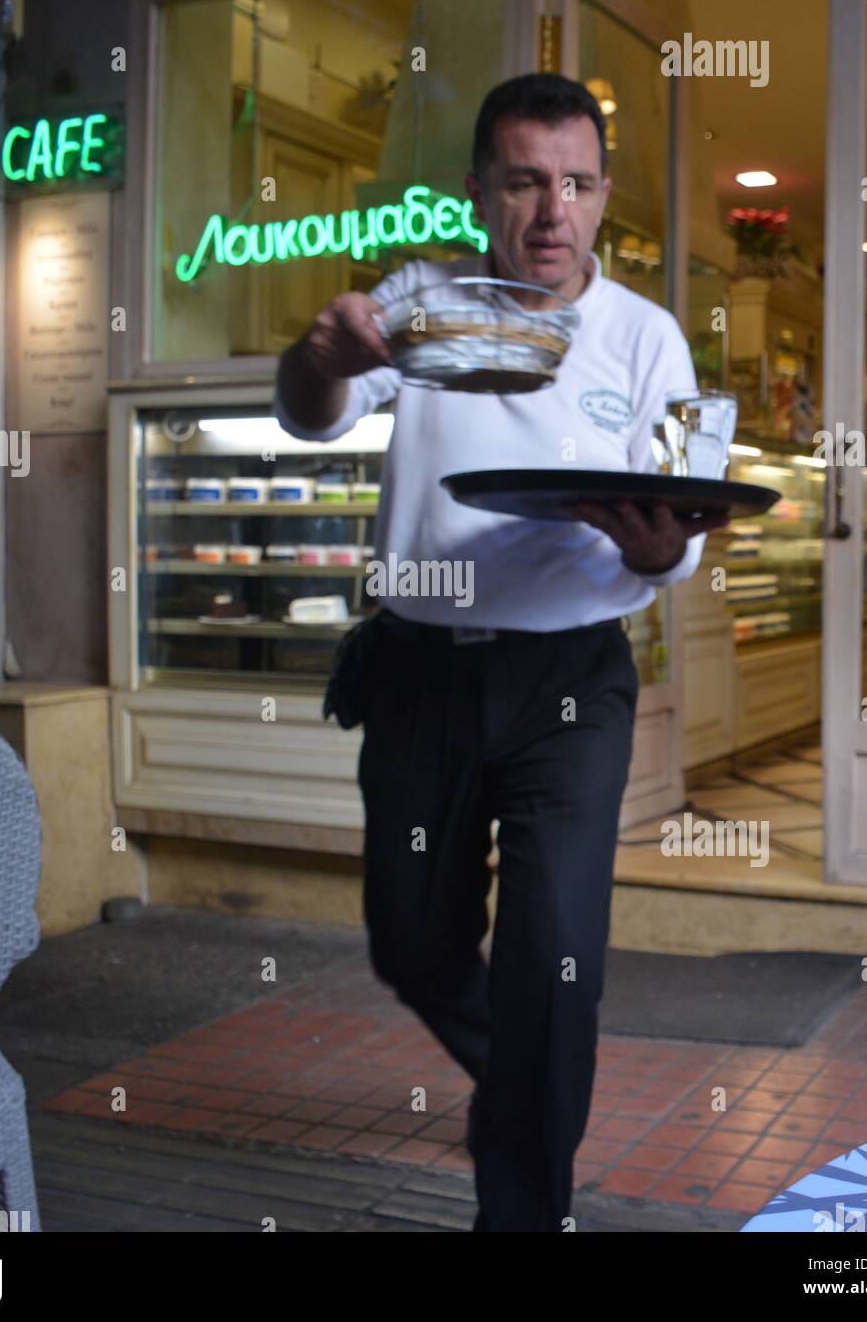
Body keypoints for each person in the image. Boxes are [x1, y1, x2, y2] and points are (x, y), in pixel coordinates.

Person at [273, 73, 730, 1231]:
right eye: (525, 180)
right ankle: (530, 1084)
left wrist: (659, 548)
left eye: (575, 183)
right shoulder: (426, 298)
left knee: (554, 961)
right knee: (413, 944)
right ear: (480, 189)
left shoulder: (647, 336)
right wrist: (320, 350)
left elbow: (672, 527)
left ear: (602, 195)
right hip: (420, 672)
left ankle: (523, 1194)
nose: (551, 211)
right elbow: (309, 410)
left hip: (570, 682)